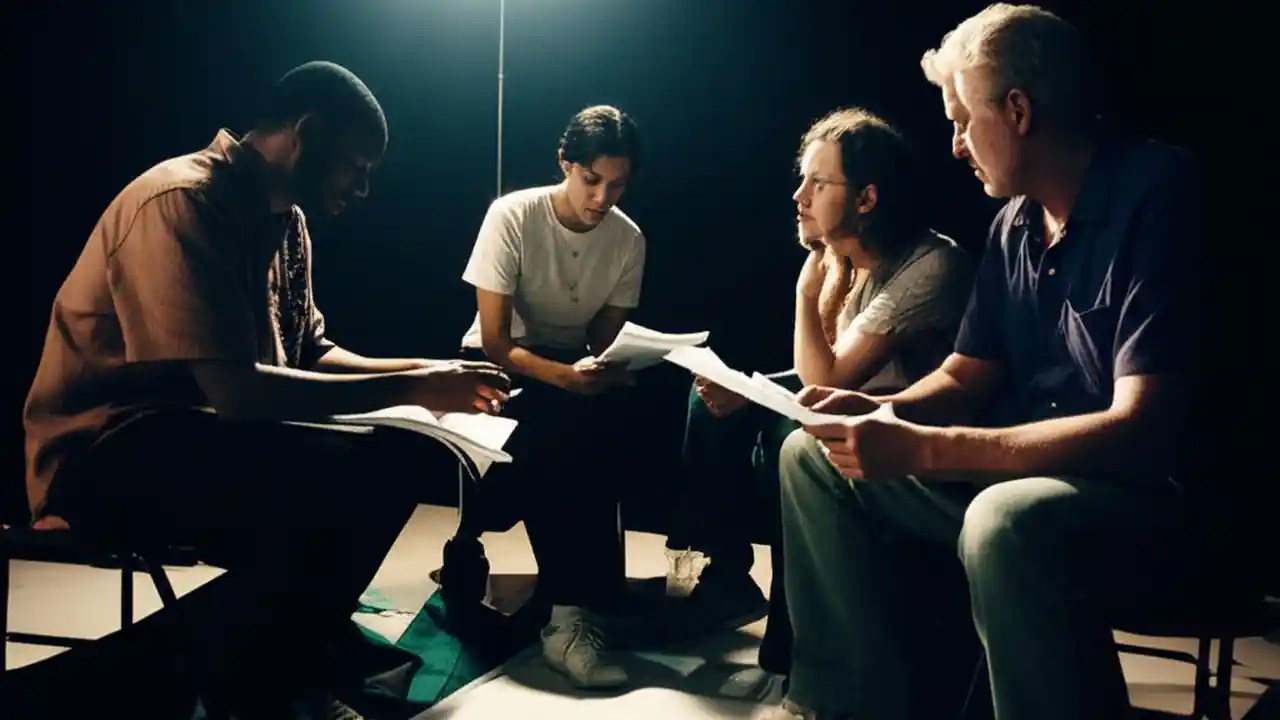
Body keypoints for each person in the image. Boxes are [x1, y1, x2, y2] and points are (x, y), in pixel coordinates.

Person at [22, 61, 510, 719]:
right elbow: (238, 394)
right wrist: (417, 386)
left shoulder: (287, 222)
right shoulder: (182, 202)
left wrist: (429, 380)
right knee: (332, 474)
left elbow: (313, 353)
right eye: (356, 166)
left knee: (395, 457)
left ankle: (286, 662)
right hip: (103, 453)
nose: (362, 188)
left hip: (205, 436)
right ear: (304, 136)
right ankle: (262, 686)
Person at [764, 4, 1201, 720]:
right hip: (1015, 475)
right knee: (808, 456)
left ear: (1019, 110)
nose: (958, 145)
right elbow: (968, 375)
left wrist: (931, 447)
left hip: (1145, 500)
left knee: (1003, 518)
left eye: (963, 121)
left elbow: (1142, 429)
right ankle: (850, 704)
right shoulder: (1012, 225)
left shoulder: (1159, 195)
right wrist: (880, 412)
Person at [660, 107, 974, 680]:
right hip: (858, 403)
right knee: (708, 403)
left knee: (788, 430)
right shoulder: (843, 258)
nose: (800, 195)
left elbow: (824, 383)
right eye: (802, 179)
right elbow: (822, 382)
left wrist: (806, 296)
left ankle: (790, 627)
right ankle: (725, 574)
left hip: (912, 432)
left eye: (819, 182)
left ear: (867, 199)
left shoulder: (931, 266)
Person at [444, 105, 646, 689]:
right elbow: (495, 340)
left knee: (620, 413)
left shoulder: (628, 239)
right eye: (592, 180)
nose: (603, 197)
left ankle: (589, 598)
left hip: (567, 368)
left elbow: (607, 343)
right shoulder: (513, 214)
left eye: (619, 184)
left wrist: (615, 371)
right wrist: (567, 378)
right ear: (566, 164)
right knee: (559, 422)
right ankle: (565, 618)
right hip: (500, 363)